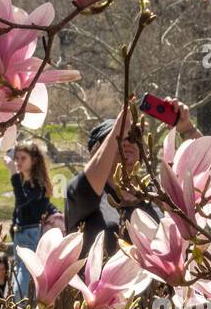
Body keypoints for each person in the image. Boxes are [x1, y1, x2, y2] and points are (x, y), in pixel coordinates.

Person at [65, 98, 197, 259]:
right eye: (118, 137)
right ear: (95, 152)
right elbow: (86, 187)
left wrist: (187, 129)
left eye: (133, 137)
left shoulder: (157, 195)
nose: (127, 141)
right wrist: (119, 128)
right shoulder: (80, 197)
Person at [4, 140, 58, 303]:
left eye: (23, 158)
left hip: (31, 234)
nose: (18, 162)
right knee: (21, 281)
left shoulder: (38, 185)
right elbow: (20, 209)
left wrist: (13, 174)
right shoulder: (26, 183)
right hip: (20, 233)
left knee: (22, 284)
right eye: (17, 158)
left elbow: (22, 202)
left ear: (33, 161)